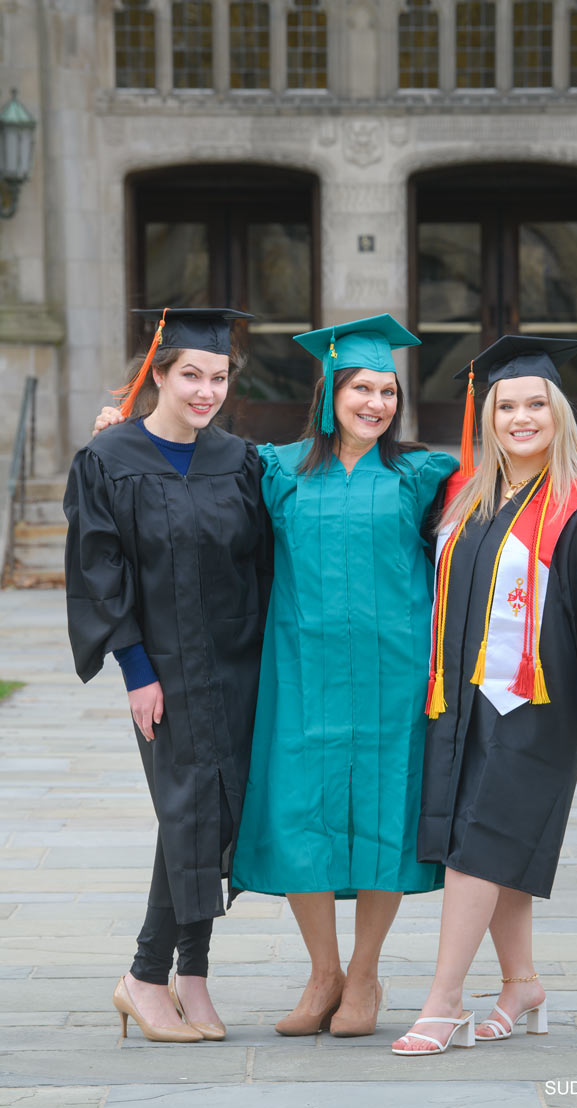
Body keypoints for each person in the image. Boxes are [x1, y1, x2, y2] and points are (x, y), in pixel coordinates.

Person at [391, 335, 577, 1056]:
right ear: (489, 416)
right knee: (491, 838)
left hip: (536, 702)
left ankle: (442, 1001)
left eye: (536, 404)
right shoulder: (467, 497)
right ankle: (522, 982)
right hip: (460, 700)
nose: (521, 417)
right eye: (508, 405)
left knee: (477, 839)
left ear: (559, 413)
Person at [230, 315, 458, 1037]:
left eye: (388, 391)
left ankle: (365, 975)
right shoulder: (277, 470)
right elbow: (196, 485)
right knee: (303, 811)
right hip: (303, 671)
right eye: (363, 386)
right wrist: (118, 433)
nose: (376, 402)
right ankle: (323, 971)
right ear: (331, 387)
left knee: (384, 811)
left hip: (395, 675)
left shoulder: (422, 474)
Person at [65, 308, 271, 1043]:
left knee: (218, 815)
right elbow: (99, 566)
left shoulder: (240, 461)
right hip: (167, 673)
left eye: (218, 376)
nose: (206, 389)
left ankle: (192, 977)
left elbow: (267, 555)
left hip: (239, 666)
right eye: (190, 374)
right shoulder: (109, 458)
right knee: (190, 812)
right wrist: (135, 668)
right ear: (158, 373)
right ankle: (148, 975)